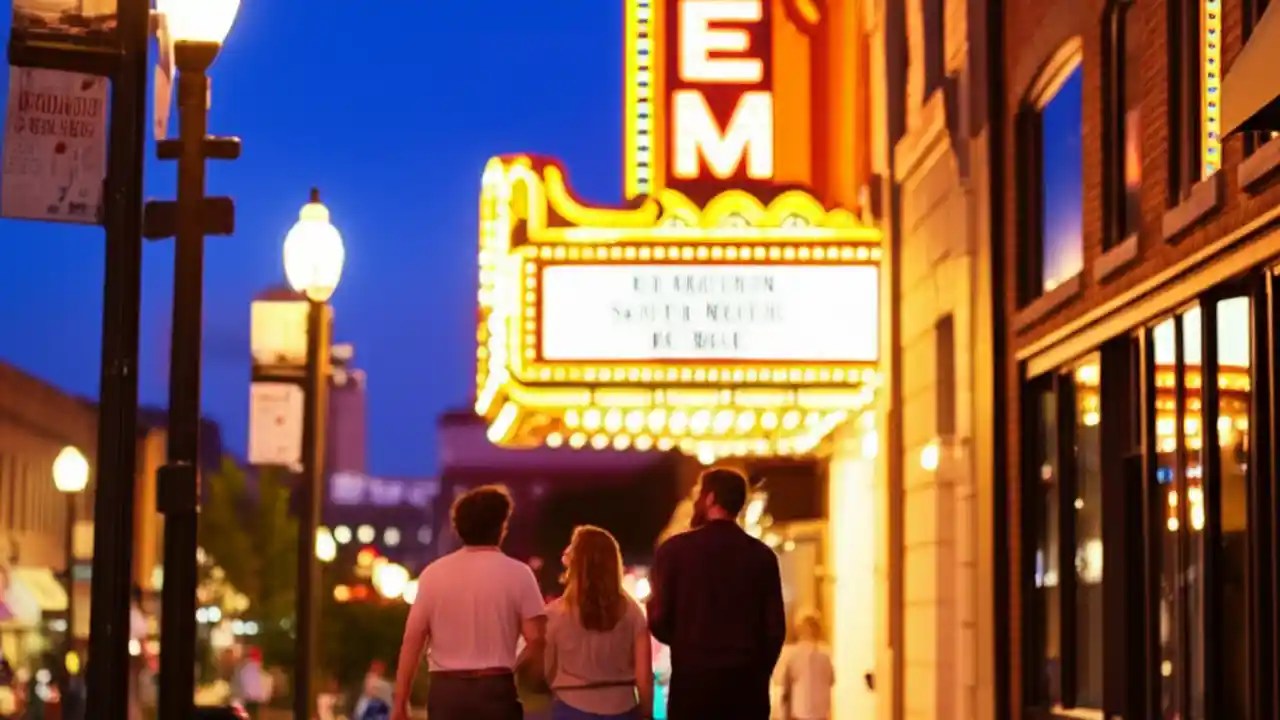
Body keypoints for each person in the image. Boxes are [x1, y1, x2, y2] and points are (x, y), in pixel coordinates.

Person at [392, 485, 546, 720]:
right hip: (496, 687)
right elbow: (536, 638)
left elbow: (413, 641)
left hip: (446, 690)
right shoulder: (519, 574)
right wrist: (514, 665)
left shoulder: (433, 574)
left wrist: (400, 702)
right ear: (501, 527)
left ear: (458, 528)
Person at [647, 467, 786, 720]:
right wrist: (756, 671)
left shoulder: (674, 552)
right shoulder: (762, 557)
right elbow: (775, 630)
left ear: (710, 498)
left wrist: (687, 646)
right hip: (746, 691)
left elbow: (659, 620)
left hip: (693, 688)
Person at [544, 526, 654, 720]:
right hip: (621, 708)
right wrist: (646, 712)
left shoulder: (555, 614)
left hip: (571, 707)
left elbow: (546, 670)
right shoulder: (633, 613)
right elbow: (644, 675)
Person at [772, 612, 834, 720]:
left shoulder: (792, 655)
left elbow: (782, 684)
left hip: (801, 712)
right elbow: (831, 680)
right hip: (818, 713)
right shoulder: (825, 655)